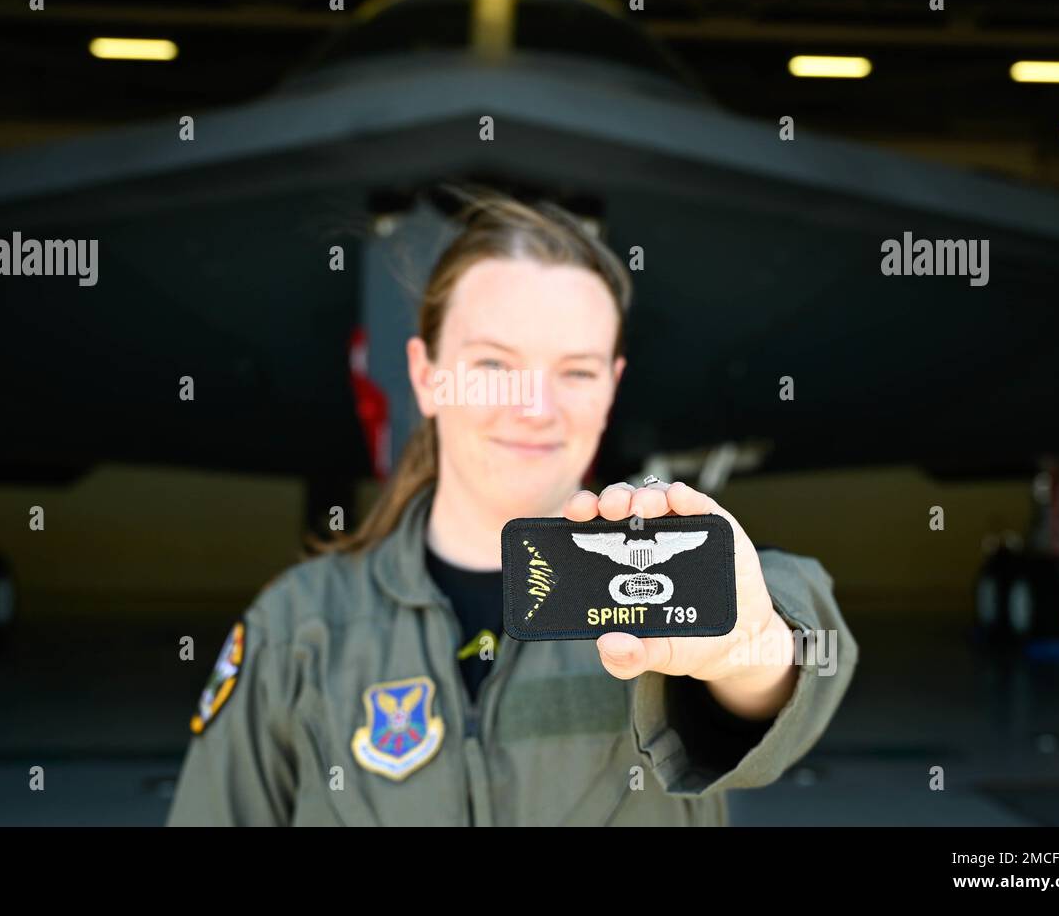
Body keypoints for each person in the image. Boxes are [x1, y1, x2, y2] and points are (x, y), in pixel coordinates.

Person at [167, 189, 858, 826]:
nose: (534, 407)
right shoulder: (299, 628)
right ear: (425, 376)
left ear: (611, 386)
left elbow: (791, 645)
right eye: (494, 364)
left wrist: (747, 648)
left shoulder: (663, 598)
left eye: (576, 370)